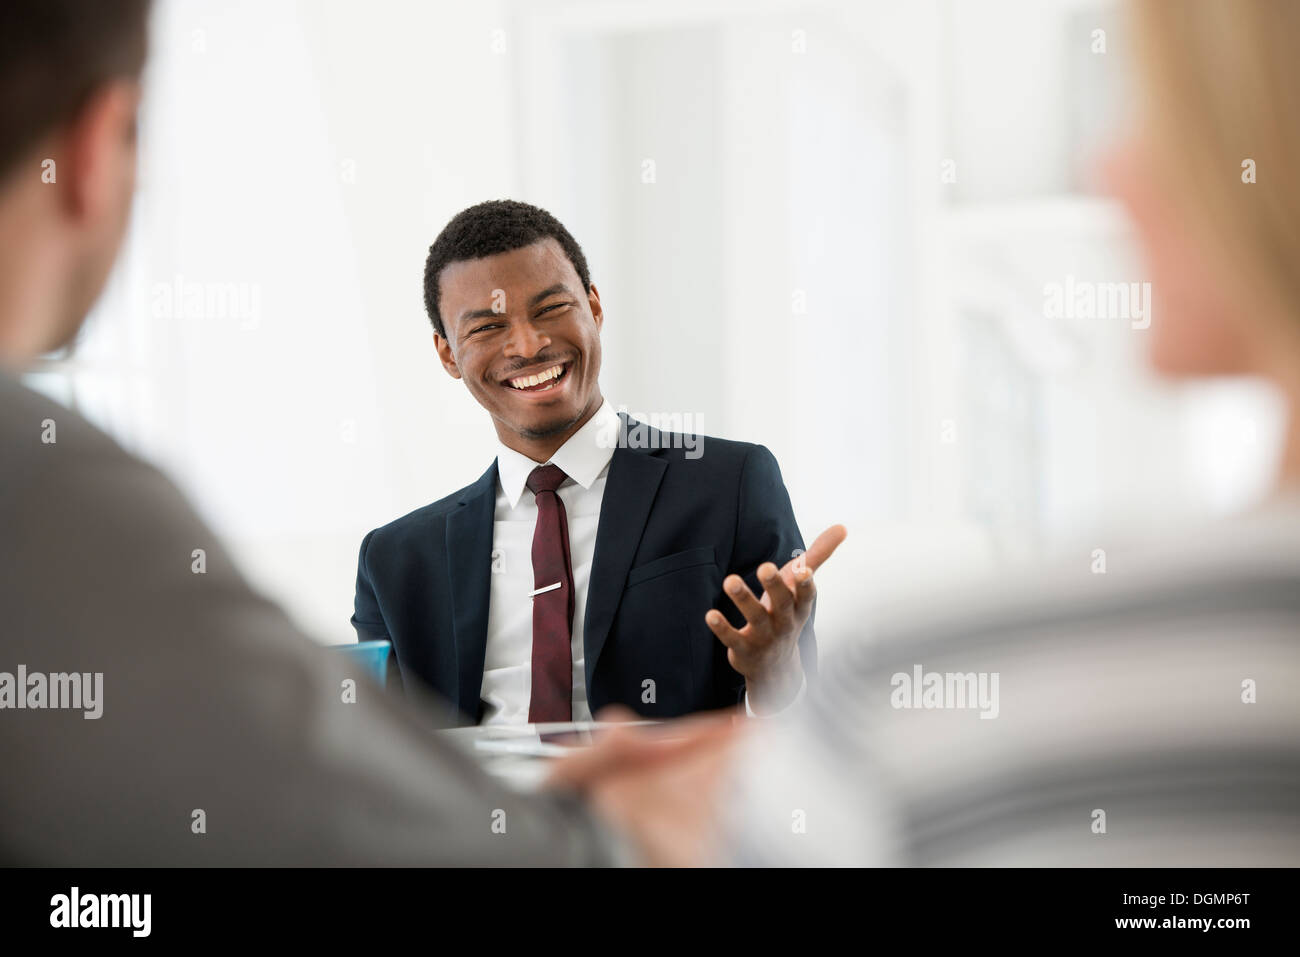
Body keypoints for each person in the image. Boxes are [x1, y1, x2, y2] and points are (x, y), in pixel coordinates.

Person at [547, 0, 1300, 866]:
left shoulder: (943, 679)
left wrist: (808, 769)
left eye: (1162, 111)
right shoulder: (407, 553)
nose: (1109, 167)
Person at [0, 0, 629, 866]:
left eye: (549, 308)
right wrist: (625, 835)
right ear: (95, 149)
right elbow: (332, 801)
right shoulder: (57, 491)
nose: (523, 344)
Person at [352, 199, 845, 726]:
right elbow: (388, 763)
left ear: (594, 307)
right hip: (485, 809)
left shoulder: (731, 484)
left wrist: (773, 672)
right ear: (448, 354)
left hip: (666, 803)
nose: (529, 344)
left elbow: (802, 732)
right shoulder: (397, 561)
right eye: (487, 328)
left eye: (550, 309)